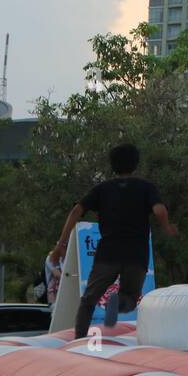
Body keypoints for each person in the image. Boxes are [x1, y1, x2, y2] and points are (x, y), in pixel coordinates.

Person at [51, 142, 177, 339]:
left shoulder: (102, 189)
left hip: (107, 254)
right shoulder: (146, 187)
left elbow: (76, 211)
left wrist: (60, 245)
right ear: (136, 164)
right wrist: (167, 227)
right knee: (130, 300)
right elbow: (159, 210)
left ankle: (79, 340)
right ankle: (117, 302)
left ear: (112, 165)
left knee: (89, 300)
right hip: (135, 255)